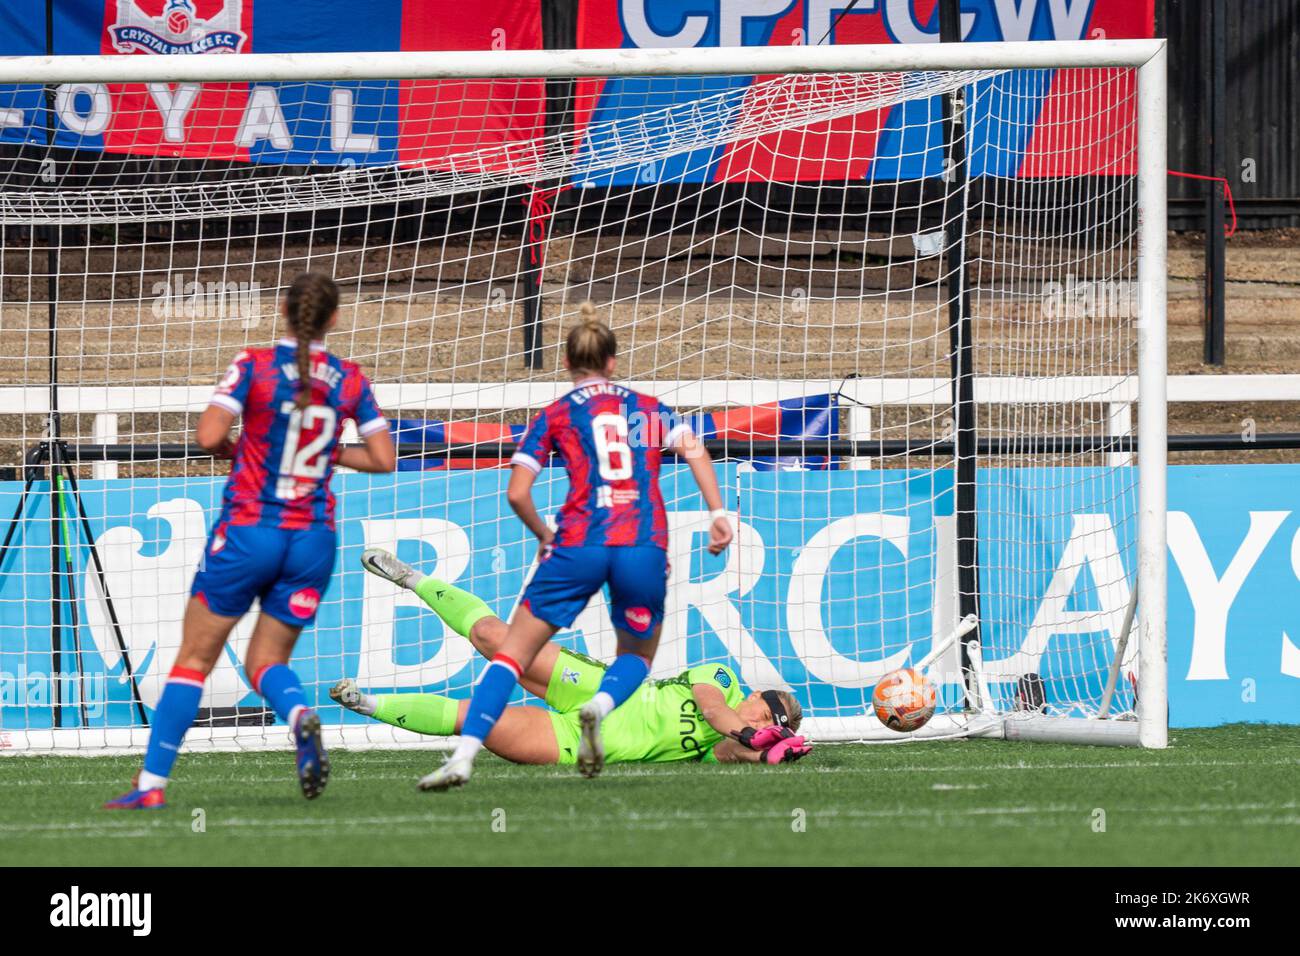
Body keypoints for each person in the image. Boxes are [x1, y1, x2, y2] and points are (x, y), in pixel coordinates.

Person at [105, 273, 396, 810]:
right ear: (334, 319)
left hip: (249, 531)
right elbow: (383, 458)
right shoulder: (350, 378)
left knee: (194, 659)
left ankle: (151, 788)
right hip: (312, 539)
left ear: (282, 311)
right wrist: (327, 452)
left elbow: (210, 436)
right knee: (266, 660)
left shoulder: (254, 365)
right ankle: (298, 716)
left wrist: (249, 447)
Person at [420, 306, 734, 790]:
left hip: (579, 542)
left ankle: (463, 757)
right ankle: (599, 707)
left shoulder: (557, 413)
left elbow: (517, 493)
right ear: (612, 361)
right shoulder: (648, 407)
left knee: (512, 655)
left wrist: (545, 537)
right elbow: (694, 449)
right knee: (635, 656)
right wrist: (717, 515)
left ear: (567, 363)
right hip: (641, 545)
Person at [340, 550, 811, 767]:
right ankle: (414, 580)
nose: (768, 721)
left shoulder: (718, 747)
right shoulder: (723, 680)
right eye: (772, 712)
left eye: (778, 724)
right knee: (492, 636)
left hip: (583, 744)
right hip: (594, 688)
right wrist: (753, 731)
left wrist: (769, 753)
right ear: (756, 696)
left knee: (477, 720)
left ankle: (369, 704)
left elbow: (732, 752)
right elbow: (713, 709)